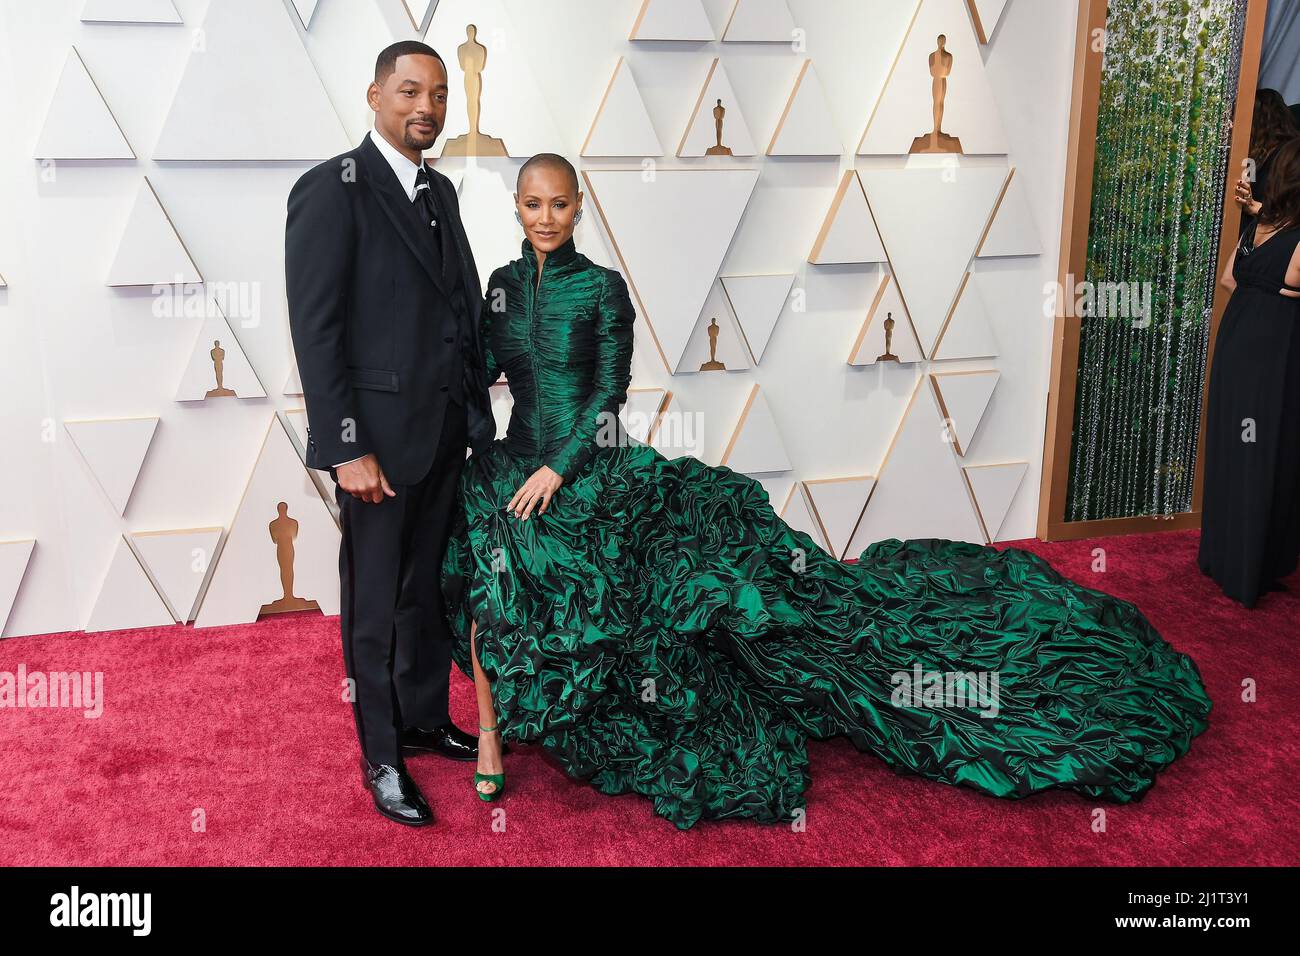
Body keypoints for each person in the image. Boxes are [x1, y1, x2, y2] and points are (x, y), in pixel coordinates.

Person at [440, 154, 1212, 829]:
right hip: (514, 464)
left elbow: (610, 395)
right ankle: (488, 732)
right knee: (484, 571)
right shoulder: (500, 287)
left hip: (590, 469)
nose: (546, 216)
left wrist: (557, 471)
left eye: (560, 203)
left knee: (712, 600)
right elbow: (485, 370)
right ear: (517, 207)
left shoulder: (604, 289)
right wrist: (484, 445)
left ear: (580, 207)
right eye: (533, 204)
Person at [286, 42, 497, 827]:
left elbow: (459, 313)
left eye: (440, 95)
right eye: (410, 91)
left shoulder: (439, 189)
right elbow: (318, 332)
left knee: (425, 594)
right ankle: (381, 756)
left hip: (442, 435)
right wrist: (345, 446)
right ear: (373, 94)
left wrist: (476, 421)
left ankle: (419, 718)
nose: (428, 108)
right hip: (372, 444)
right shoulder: (330, 190)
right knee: (374, 603)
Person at [1199, 137, 1300, 608]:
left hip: (1236, 342)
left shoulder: (1256, 226)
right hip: (1275, 355)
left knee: (1234, 448)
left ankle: (1222, 558)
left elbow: (1228, 280)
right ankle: (1252, 569)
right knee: (1269, 456)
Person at [1234, 88, 1298, 236]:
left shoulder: (1288, 157)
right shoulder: (1254, 156)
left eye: (1240, 118)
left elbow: (1291, 214)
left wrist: (1254, 206)